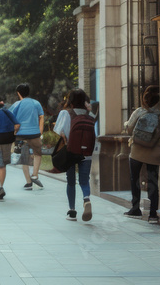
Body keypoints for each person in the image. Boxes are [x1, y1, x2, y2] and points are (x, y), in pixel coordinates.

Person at [123, 85, 160, 224]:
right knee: (153, 183)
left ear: (144, 98)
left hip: (136, 151)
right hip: (154, 154)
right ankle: (153, 215)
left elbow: (129, 129)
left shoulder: (138, 112)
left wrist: (127, 125)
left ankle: (135, 209)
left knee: (134, 180)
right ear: (158, 100)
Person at [54, 88, 95, 222]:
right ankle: (86, 199)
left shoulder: (66, 113)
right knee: (84, 180)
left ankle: (72, 211)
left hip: (71, 152)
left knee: (71, 181)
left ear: (70, 101)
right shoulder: (90, 115)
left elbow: (59, 131)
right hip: (86, 153)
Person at [9, 83, 45, 191]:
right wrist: (40, 132)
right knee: (38, 154)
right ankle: (35, 175)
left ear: (18, 93)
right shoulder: (36, 103)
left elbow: (10, 118)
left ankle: (28, 182)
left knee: (24, 158)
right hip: (34, 133)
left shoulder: (16, 104)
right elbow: (41, 117)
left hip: (20, 135)